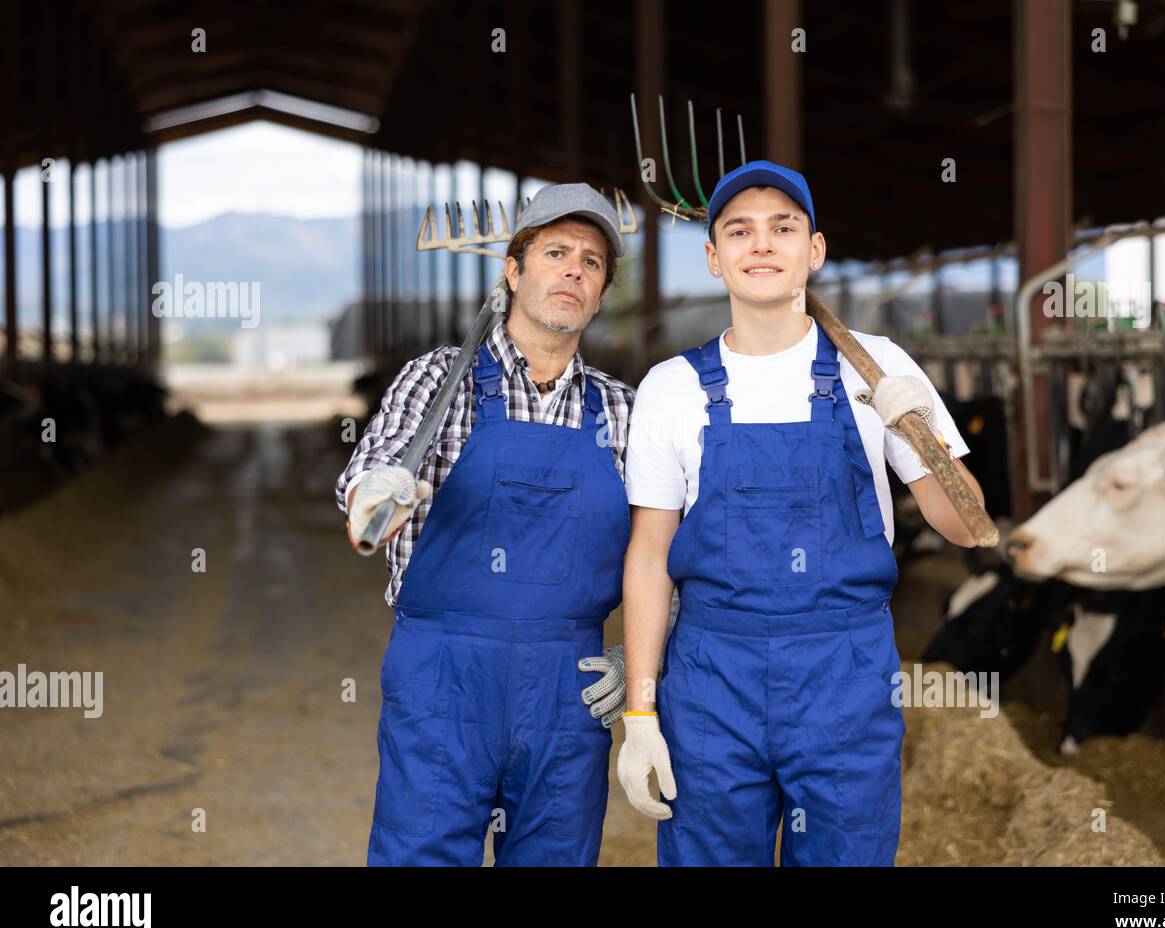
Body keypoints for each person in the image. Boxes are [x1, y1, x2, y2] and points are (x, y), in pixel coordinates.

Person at [616, 161, 985, 866]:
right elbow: (649, 557)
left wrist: (923, 435)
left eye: (783, 228)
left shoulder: (875, 368)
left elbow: (967, 528)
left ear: (813, 250)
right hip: (711, 681)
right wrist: (640, 713)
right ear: (714, 257)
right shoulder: (671, 388)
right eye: (740, 230)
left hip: (844, 674)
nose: (762, 245)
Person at [335, 183, 634, 866]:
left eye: (592, 263)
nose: (573, 272)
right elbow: (374, 473)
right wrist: (378, 490)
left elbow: (670, 551)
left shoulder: (623, 411)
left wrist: (639, 661)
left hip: (570, 685)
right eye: (555, 252)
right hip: (443, 677)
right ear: (513, 270)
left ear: (601, 291)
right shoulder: (441, 381)